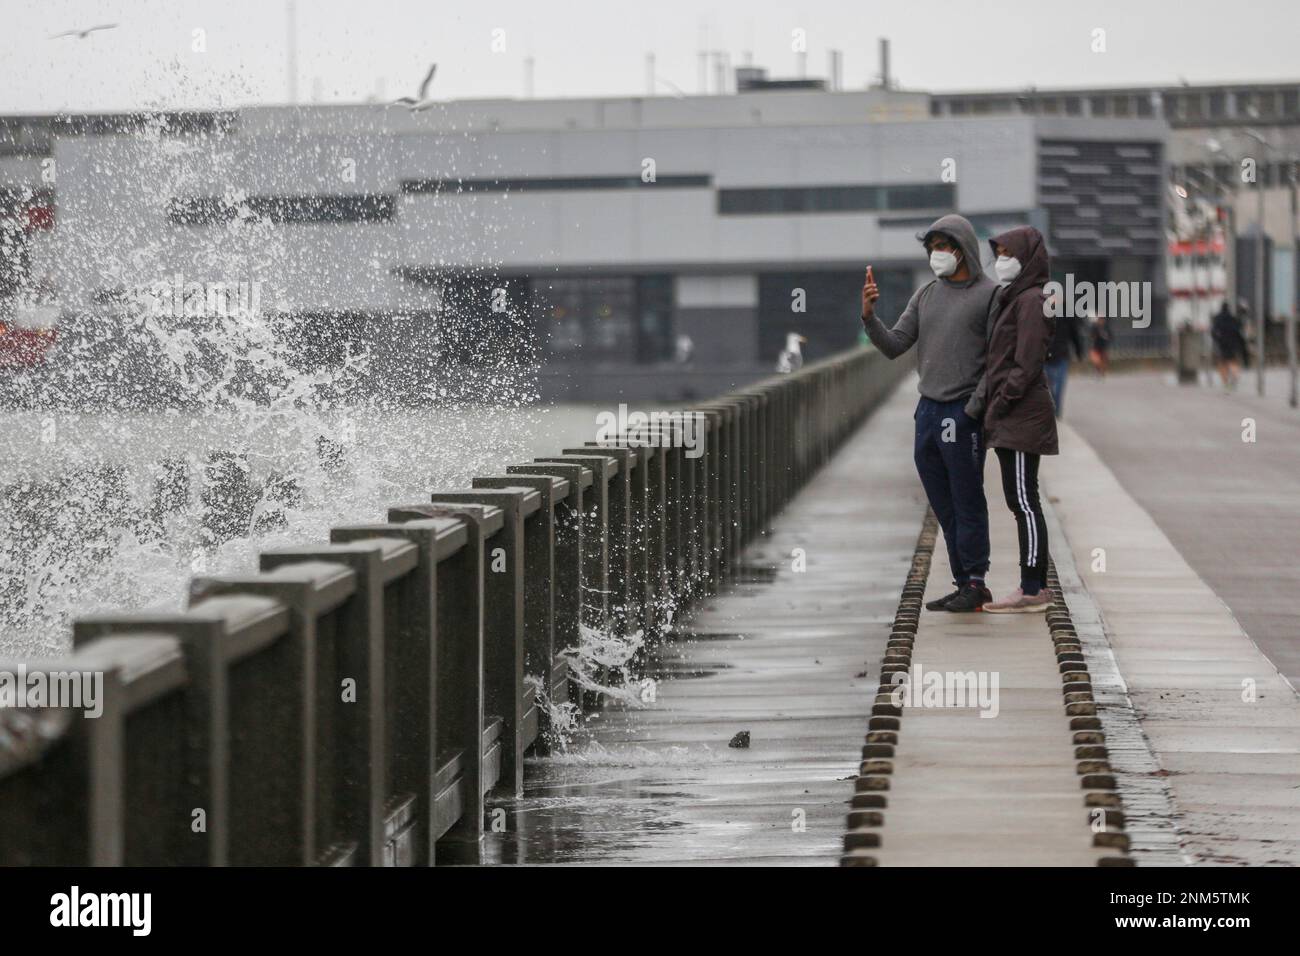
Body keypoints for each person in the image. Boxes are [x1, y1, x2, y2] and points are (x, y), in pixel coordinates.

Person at [861, 214, 1002, 612]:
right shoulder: (925, 295)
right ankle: (962, 582)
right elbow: (895, 345)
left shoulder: (990, 296)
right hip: (927, 411)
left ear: (963, 249)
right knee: (942, 502)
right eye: (932, 247)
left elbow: (997, 361)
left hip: (962, 412)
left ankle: (977, 581)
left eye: (944, 246)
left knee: (967, 498)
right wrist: (870, 317)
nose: (937, 254)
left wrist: (973, 410)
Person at [977, 226, 1059, 613]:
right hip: (1013, 416)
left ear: (1027, 257)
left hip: (1021, 415)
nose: (1001, 261)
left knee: (1024, 500)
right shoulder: (1017, 298)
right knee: (1019, 498)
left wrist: (999, 405)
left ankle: (1031, 588)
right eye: (999, 253)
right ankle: (1033, 585)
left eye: (1009, 253)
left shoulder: (1031, 300)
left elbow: (1025, 365)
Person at [1044, 301, 1086, 416]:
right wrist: (1079, 353)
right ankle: (1055, 410)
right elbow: (1075, 334)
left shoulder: (1044, 313)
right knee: (1058, 385)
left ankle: (1053, 409)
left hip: (1047, 355)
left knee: (1049, 385)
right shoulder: (1068, 314)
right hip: (1060, 354)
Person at [1210, 300, 1246, 390]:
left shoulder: (1217, 319)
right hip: (1233, 343)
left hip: (1222, 343)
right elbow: (1238, 330)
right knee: (1232, 361)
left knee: (1222, 363)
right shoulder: (1232, 318)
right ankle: (1235, 375)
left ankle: (1225, 382)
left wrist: (1217, 339)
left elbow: (1213, 331)